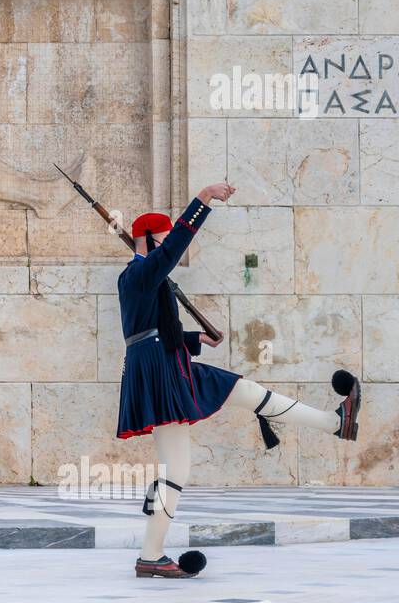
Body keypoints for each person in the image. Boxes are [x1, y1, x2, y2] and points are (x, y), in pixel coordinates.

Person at [117, 182, 361, 579]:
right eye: (160, 241)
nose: (167, 250)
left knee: (240, 396)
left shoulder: (146, 278)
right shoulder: (140, 273)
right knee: (176, 470)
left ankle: (337, 423)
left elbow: (151, 329)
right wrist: (203, 200)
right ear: (148, 240)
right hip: (162, 374)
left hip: (167, 365)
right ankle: (150, 554)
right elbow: (172, 253)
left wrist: (197, 339)